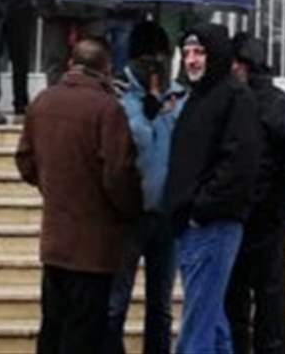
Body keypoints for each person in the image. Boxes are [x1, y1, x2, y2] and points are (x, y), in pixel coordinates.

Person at [15, 37, 142, 354]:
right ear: (106, 67)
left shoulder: (42, 101)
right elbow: (117, 174)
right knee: (84, 330)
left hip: (55, 240)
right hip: (95, 245)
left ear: (71, 64)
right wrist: (131, 210)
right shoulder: (107, 109)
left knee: (53, 325)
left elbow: (25, 160)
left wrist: (52, 186)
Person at [162, 23, 261, 354]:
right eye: (187, 52)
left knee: (197, 328)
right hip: (193, 226)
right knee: (211, 322)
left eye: (199, 52)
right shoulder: (198, 97)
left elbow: (239, 163)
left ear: (216, 54)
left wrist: (201, 209)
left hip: (212, 225)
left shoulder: (235, 97)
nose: (191, 60)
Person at [226, 33, 285, 354]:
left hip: (246, 217)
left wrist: (274, 201)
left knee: (235, 299)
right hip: (266, 219)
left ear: (241, 65)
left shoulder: (237, 103)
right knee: (270, 299)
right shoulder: (283, 105)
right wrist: (280, 201)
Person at [108, 22, 185, 354]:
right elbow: (131, 142)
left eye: (161, 59)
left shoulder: (178, 97)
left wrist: (163, 108)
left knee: (161, 307)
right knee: (116, 303)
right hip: (129, 216)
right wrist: (146, 111)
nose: (156, 66)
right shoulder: (118, 96)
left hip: (166, 216)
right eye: (148, 59)